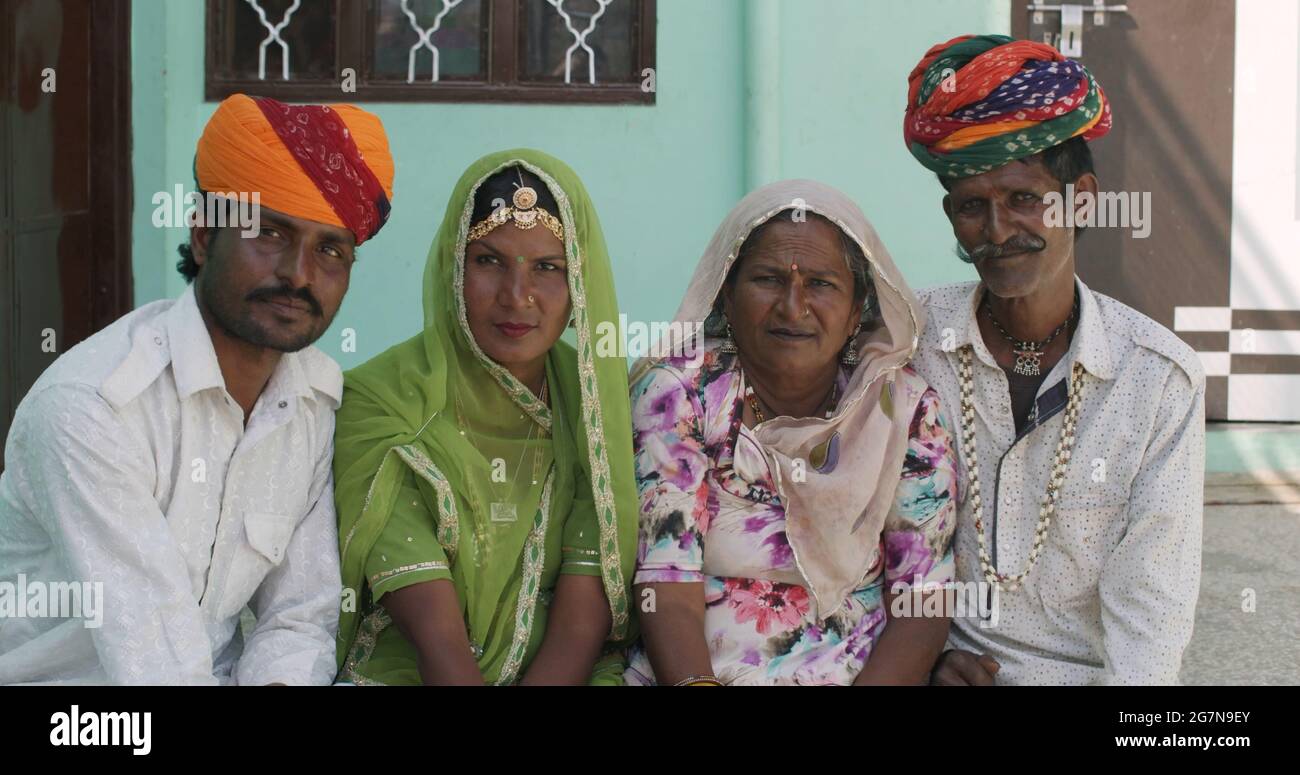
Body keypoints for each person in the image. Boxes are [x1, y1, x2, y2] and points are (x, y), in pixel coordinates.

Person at [0, 94, 395, 684]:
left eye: (330, 250)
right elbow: (154, 659)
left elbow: (298, 618)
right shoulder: (94, 407)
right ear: (206, 235)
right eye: (269, 233)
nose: (298, 274)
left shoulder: (312, 397)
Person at [904, 35, 1205, 685]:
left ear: (1083, 198)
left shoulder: (1157, 379)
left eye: (1022, 197)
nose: (998, 229)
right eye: (971, 207)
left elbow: (1150, 613)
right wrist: (922, 658)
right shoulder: (911, 336)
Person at [624, 180, 958, 686]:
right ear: (727, 296)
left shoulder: (900, 410)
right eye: (768, 279)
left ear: (855, 311)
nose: (792, 306)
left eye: (821, 284)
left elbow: (921, 602)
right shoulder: (681, 393)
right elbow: (665, 579)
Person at [332, 150, 638, 686]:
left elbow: (579, 622)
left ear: (579, 284)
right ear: (454, 265)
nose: (517, 297)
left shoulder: (594, 399)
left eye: (548, 268)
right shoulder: (382, 399)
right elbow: (435, 637)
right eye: (489, 261)